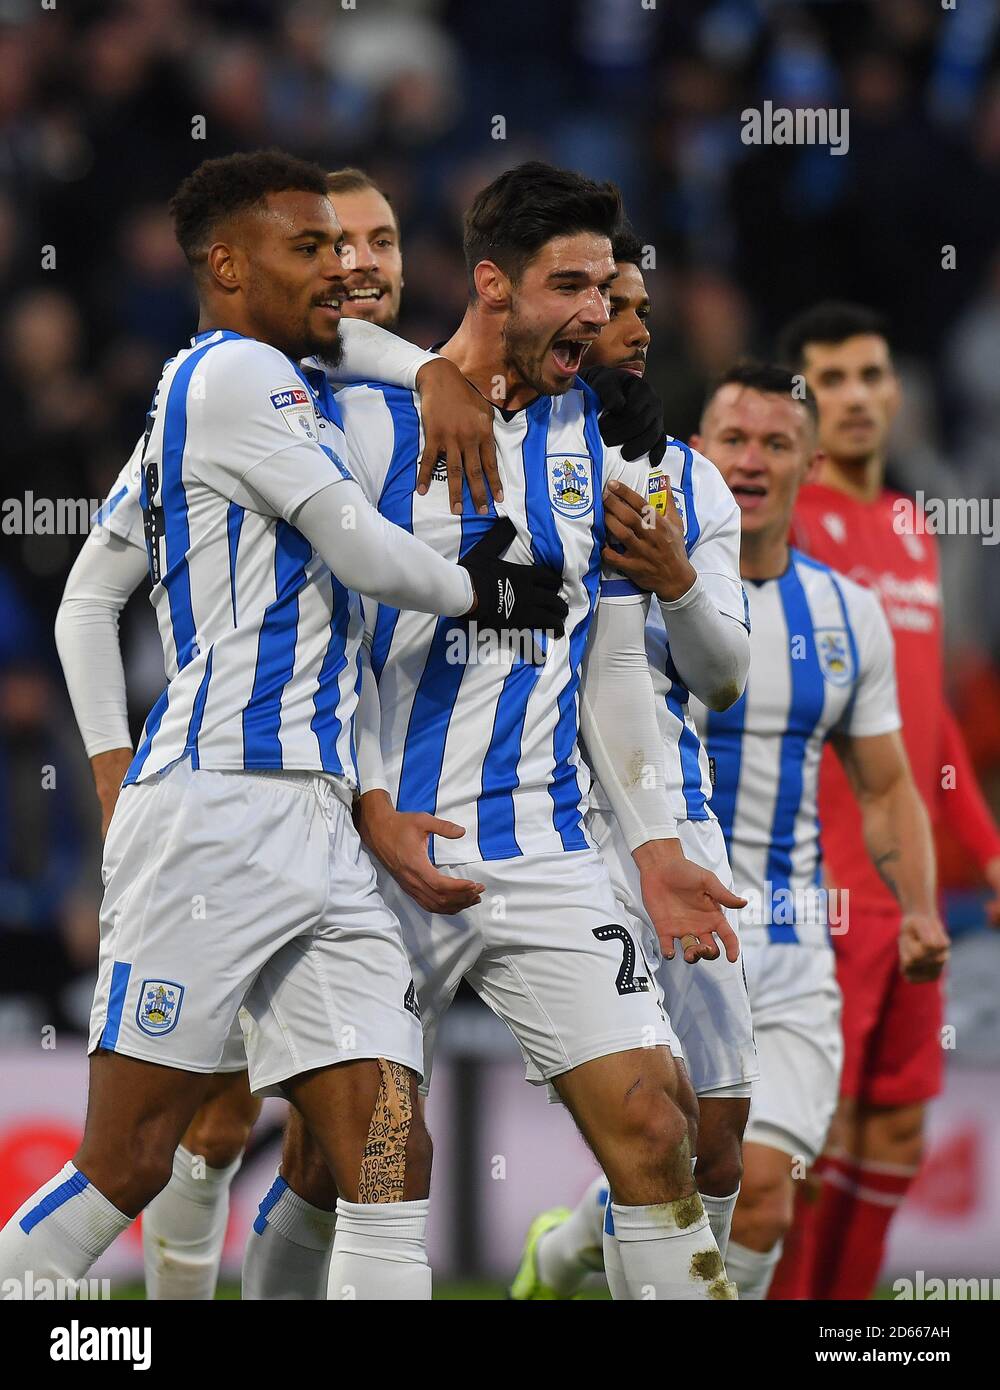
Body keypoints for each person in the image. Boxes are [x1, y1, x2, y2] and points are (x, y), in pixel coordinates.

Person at [51, 167, 670, 1300]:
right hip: (221, 801)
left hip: (328, 820)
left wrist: (437, 371)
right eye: (322, 246)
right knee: (149, 1150)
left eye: (375, 240)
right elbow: (343, 557)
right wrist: (109, 767)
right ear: (235, 264)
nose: (352, 264)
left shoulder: (329, 382)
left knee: (384, 1156)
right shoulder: (244, 381)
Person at [332, 162, 749, 1301]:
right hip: (378, 853)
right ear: (491, 284)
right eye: (568, 284)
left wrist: (657, 844)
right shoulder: (369, 419)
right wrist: (370, 803)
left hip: (543, 845)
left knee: (655, 1118)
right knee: (362, 1153)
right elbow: (330, 643)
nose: (594, 311)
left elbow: (613, 663)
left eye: (605, 287)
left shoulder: (607, 443)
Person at [509, 230, 756, 1299]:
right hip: (529, 814)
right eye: (612, 304)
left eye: (643, 306)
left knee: (721, 1137)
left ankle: (562, 1252)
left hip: (673, 819)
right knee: (645, 1120)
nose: (636, 325)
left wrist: (677, 585)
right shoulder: (499, 444)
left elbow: (722, 677)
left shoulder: (691, 486)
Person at [683, 361, 944, 1298]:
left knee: (760, 1199)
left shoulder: (847, 613)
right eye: (733, 440)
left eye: (776, 444)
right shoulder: (632, 593)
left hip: (792, 957)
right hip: (655, 947)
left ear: (811, 464)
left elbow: (886, 788)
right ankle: (562, 1255)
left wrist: (918, 906)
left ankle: (568, 1250)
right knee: (674, 1199)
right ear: (696, 454)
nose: (751, 460)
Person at [776, 302, 1000, 1299]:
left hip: (909, 893)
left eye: (871, 376)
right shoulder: (777, 522)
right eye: (831, 381)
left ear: (895, 389)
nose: (858, 398)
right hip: (818, 883)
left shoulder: (913, 525)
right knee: (802, 1140)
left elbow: (932, 723)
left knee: (893, 1130)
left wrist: (986, 850)